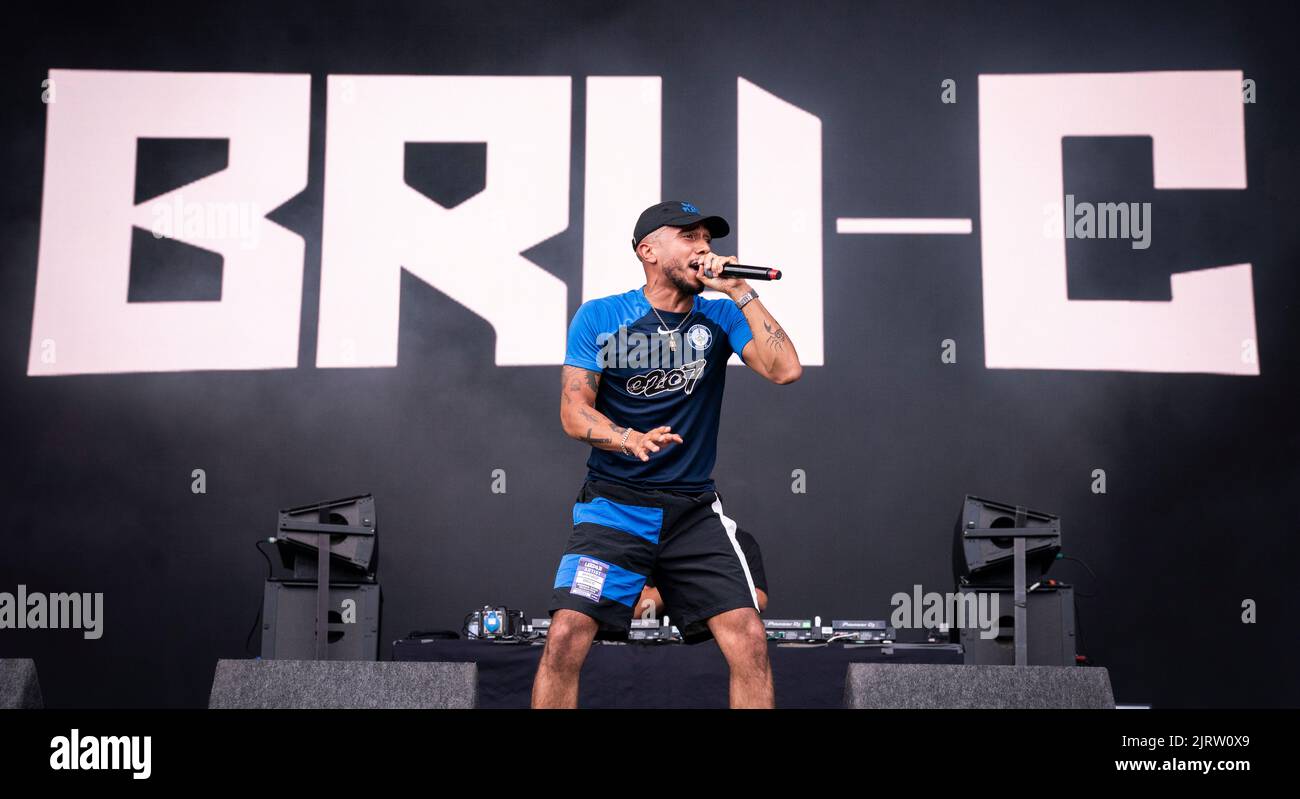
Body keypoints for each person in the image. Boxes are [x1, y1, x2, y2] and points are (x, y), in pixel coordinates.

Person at [531, 200, 802, 709]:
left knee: (748, 636)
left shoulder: (720, 313)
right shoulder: (602, 316)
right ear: (648, 250)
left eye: (708, 238)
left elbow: (785, 369)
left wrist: (741, 291)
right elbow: (574, 412)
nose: (704, 247)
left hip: (693, 511)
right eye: (690, 236)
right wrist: (628, 438)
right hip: (615, 505)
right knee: (566, 635)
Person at [634, 527, 769, 622]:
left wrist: (707, 580)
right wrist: (681, 580)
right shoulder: (658, 541)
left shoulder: (739, 540)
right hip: (662, 647)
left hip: (719, 638)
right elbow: (638, 609)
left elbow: (760, 600)